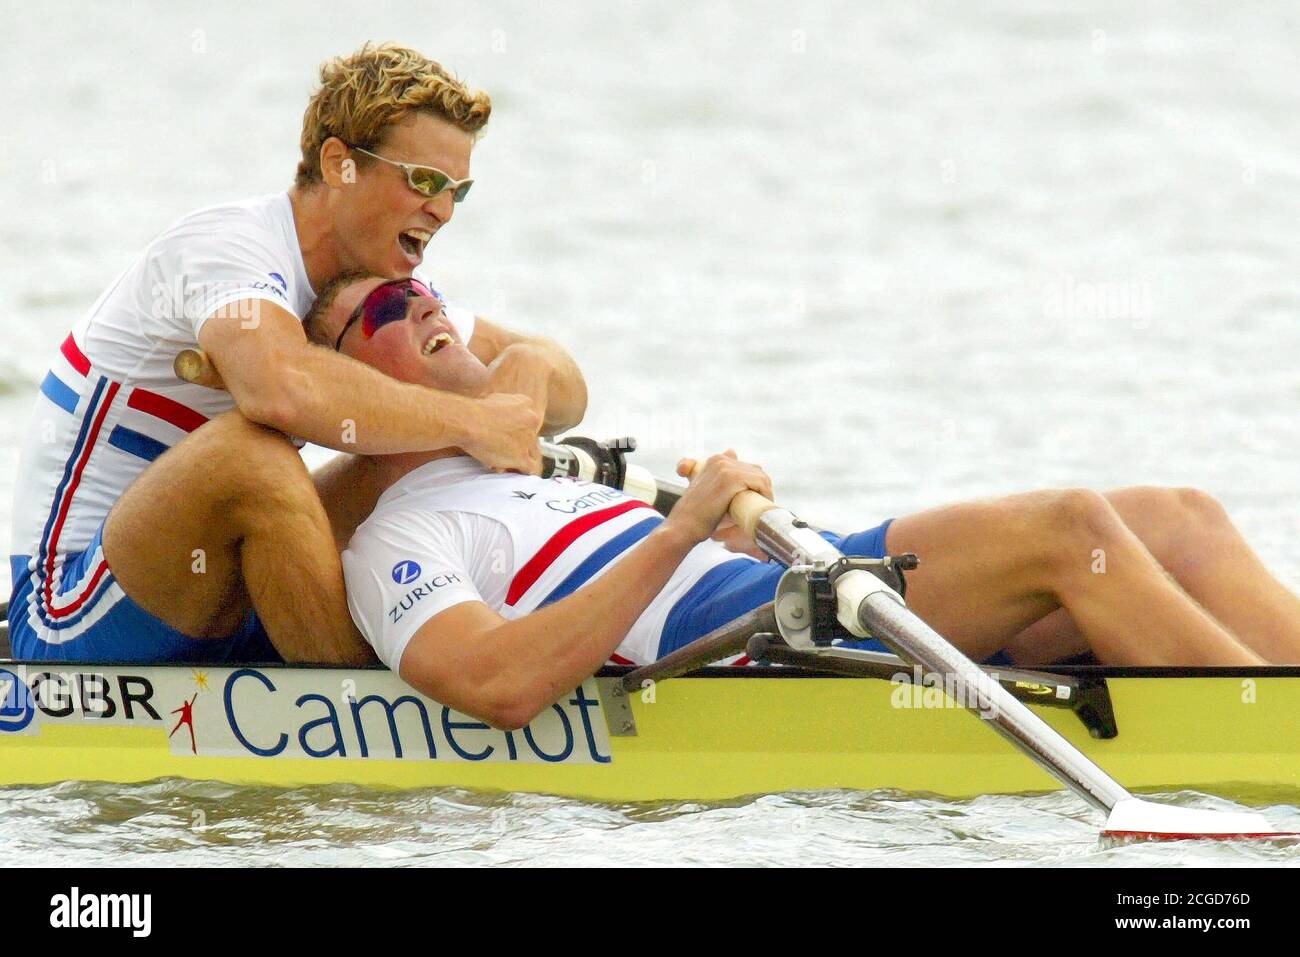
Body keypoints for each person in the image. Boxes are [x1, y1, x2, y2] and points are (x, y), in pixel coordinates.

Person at [311, 273, 1300, 730]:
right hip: (746, 639)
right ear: (341, 381)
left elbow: (540, 366)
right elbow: (498, 687)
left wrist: (715, 512)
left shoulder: (523, 465)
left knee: (1177, 516)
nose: (428, 304)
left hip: (799, 571)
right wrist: (687, 528)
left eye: (427, 289)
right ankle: (1269, 737)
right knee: (1070, 529)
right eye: (390, 311)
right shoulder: (394, 539)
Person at [6, 43, 586, 665]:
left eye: (457, 191)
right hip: (69, 611)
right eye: (423, 181)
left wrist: (517, 383)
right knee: (251, 452)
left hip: (221, 596)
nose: (441, 211)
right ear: (339, 164)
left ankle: (484, 626)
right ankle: (373, 706)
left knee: (413, 438)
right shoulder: (229, 248)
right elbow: (276, 390)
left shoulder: (368, 294)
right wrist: (476, 419)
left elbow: (568, 390)